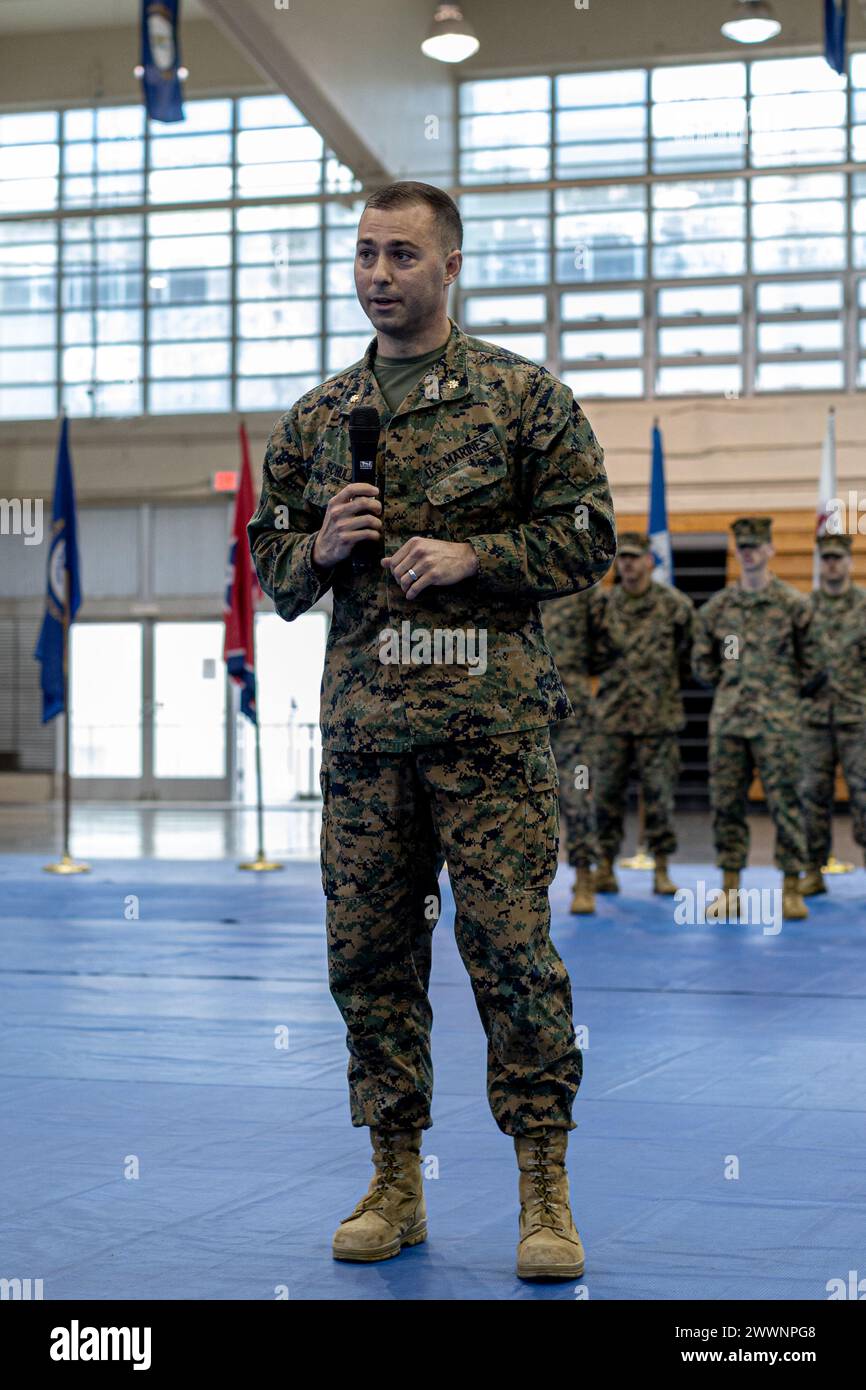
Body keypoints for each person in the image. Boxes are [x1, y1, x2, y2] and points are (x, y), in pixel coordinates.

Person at [247, 181, 616, 1280]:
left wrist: (475, 557)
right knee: (367, 960)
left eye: (401, 255)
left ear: (448, 265)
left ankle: (542, 1188)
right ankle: (393, 1179)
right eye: (363, 253)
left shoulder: (520, 399)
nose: (376, 275)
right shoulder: (318, 419)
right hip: (366, 744)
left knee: (510, 956)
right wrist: (315, 548)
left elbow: (588, 535)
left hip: (489, 738)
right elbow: (270, 571)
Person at [692, 517, 820, 922]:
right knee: (726, 806)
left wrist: (782, 693)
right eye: (743, 547)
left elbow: (814, 664)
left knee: (787, 804)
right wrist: (730, 688)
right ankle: (730, 890)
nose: (749, 553)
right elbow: (701, 662)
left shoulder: (794, 604)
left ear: (770, 550)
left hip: (778, 723)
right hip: (729, 723)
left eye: (755, 546)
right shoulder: (718, 608)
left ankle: (792, 888)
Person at [588, 532, 695, 896]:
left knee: (660, 796)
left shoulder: (675, 606)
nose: (629, 564)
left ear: (650, 560)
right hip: (613, 717)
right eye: (624, 558)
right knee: (605, 795)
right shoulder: (604, 606)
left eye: (635, 557)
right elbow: (592, 655)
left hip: (658, 718)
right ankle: (605, 865)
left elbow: (687, 656)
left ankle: (661, 868)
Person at [541, 590, 618, 914]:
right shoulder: (514, 584)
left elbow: (610, 644)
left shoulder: (583, 591)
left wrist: (577, 670)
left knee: (578, 797)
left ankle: (584, 877)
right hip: (521, 711)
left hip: (573, 711)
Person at [800, 533, 866, 894]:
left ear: (849, 562)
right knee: (812, 794)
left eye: (838, 558)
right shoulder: (804, 610)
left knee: (864, 794)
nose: (832, 564)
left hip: (857, 718)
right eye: (826, 558)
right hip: (813, 719)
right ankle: (813, 869)